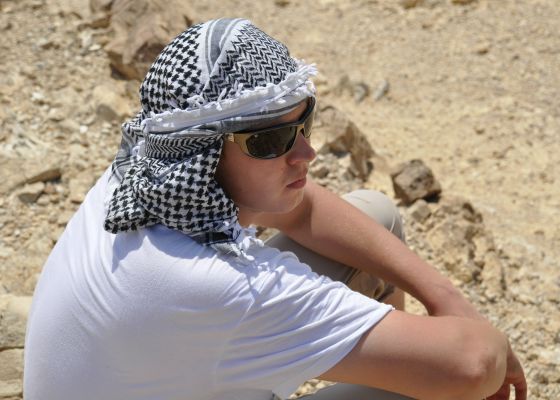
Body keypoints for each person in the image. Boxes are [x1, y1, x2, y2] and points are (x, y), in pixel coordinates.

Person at [23, 18, 527, 400]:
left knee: (377, 216)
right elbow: (471, 366)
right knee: (442, 385)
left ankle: (381, 354)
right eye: (271, 140)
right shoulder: (218, 287)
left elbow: (302, 211)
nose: (307, 152)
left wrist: (445, 297)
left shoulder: (143, 167)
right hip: (200, 326)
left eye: (305, 123)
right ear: (201, 153)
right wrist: (484, 346)